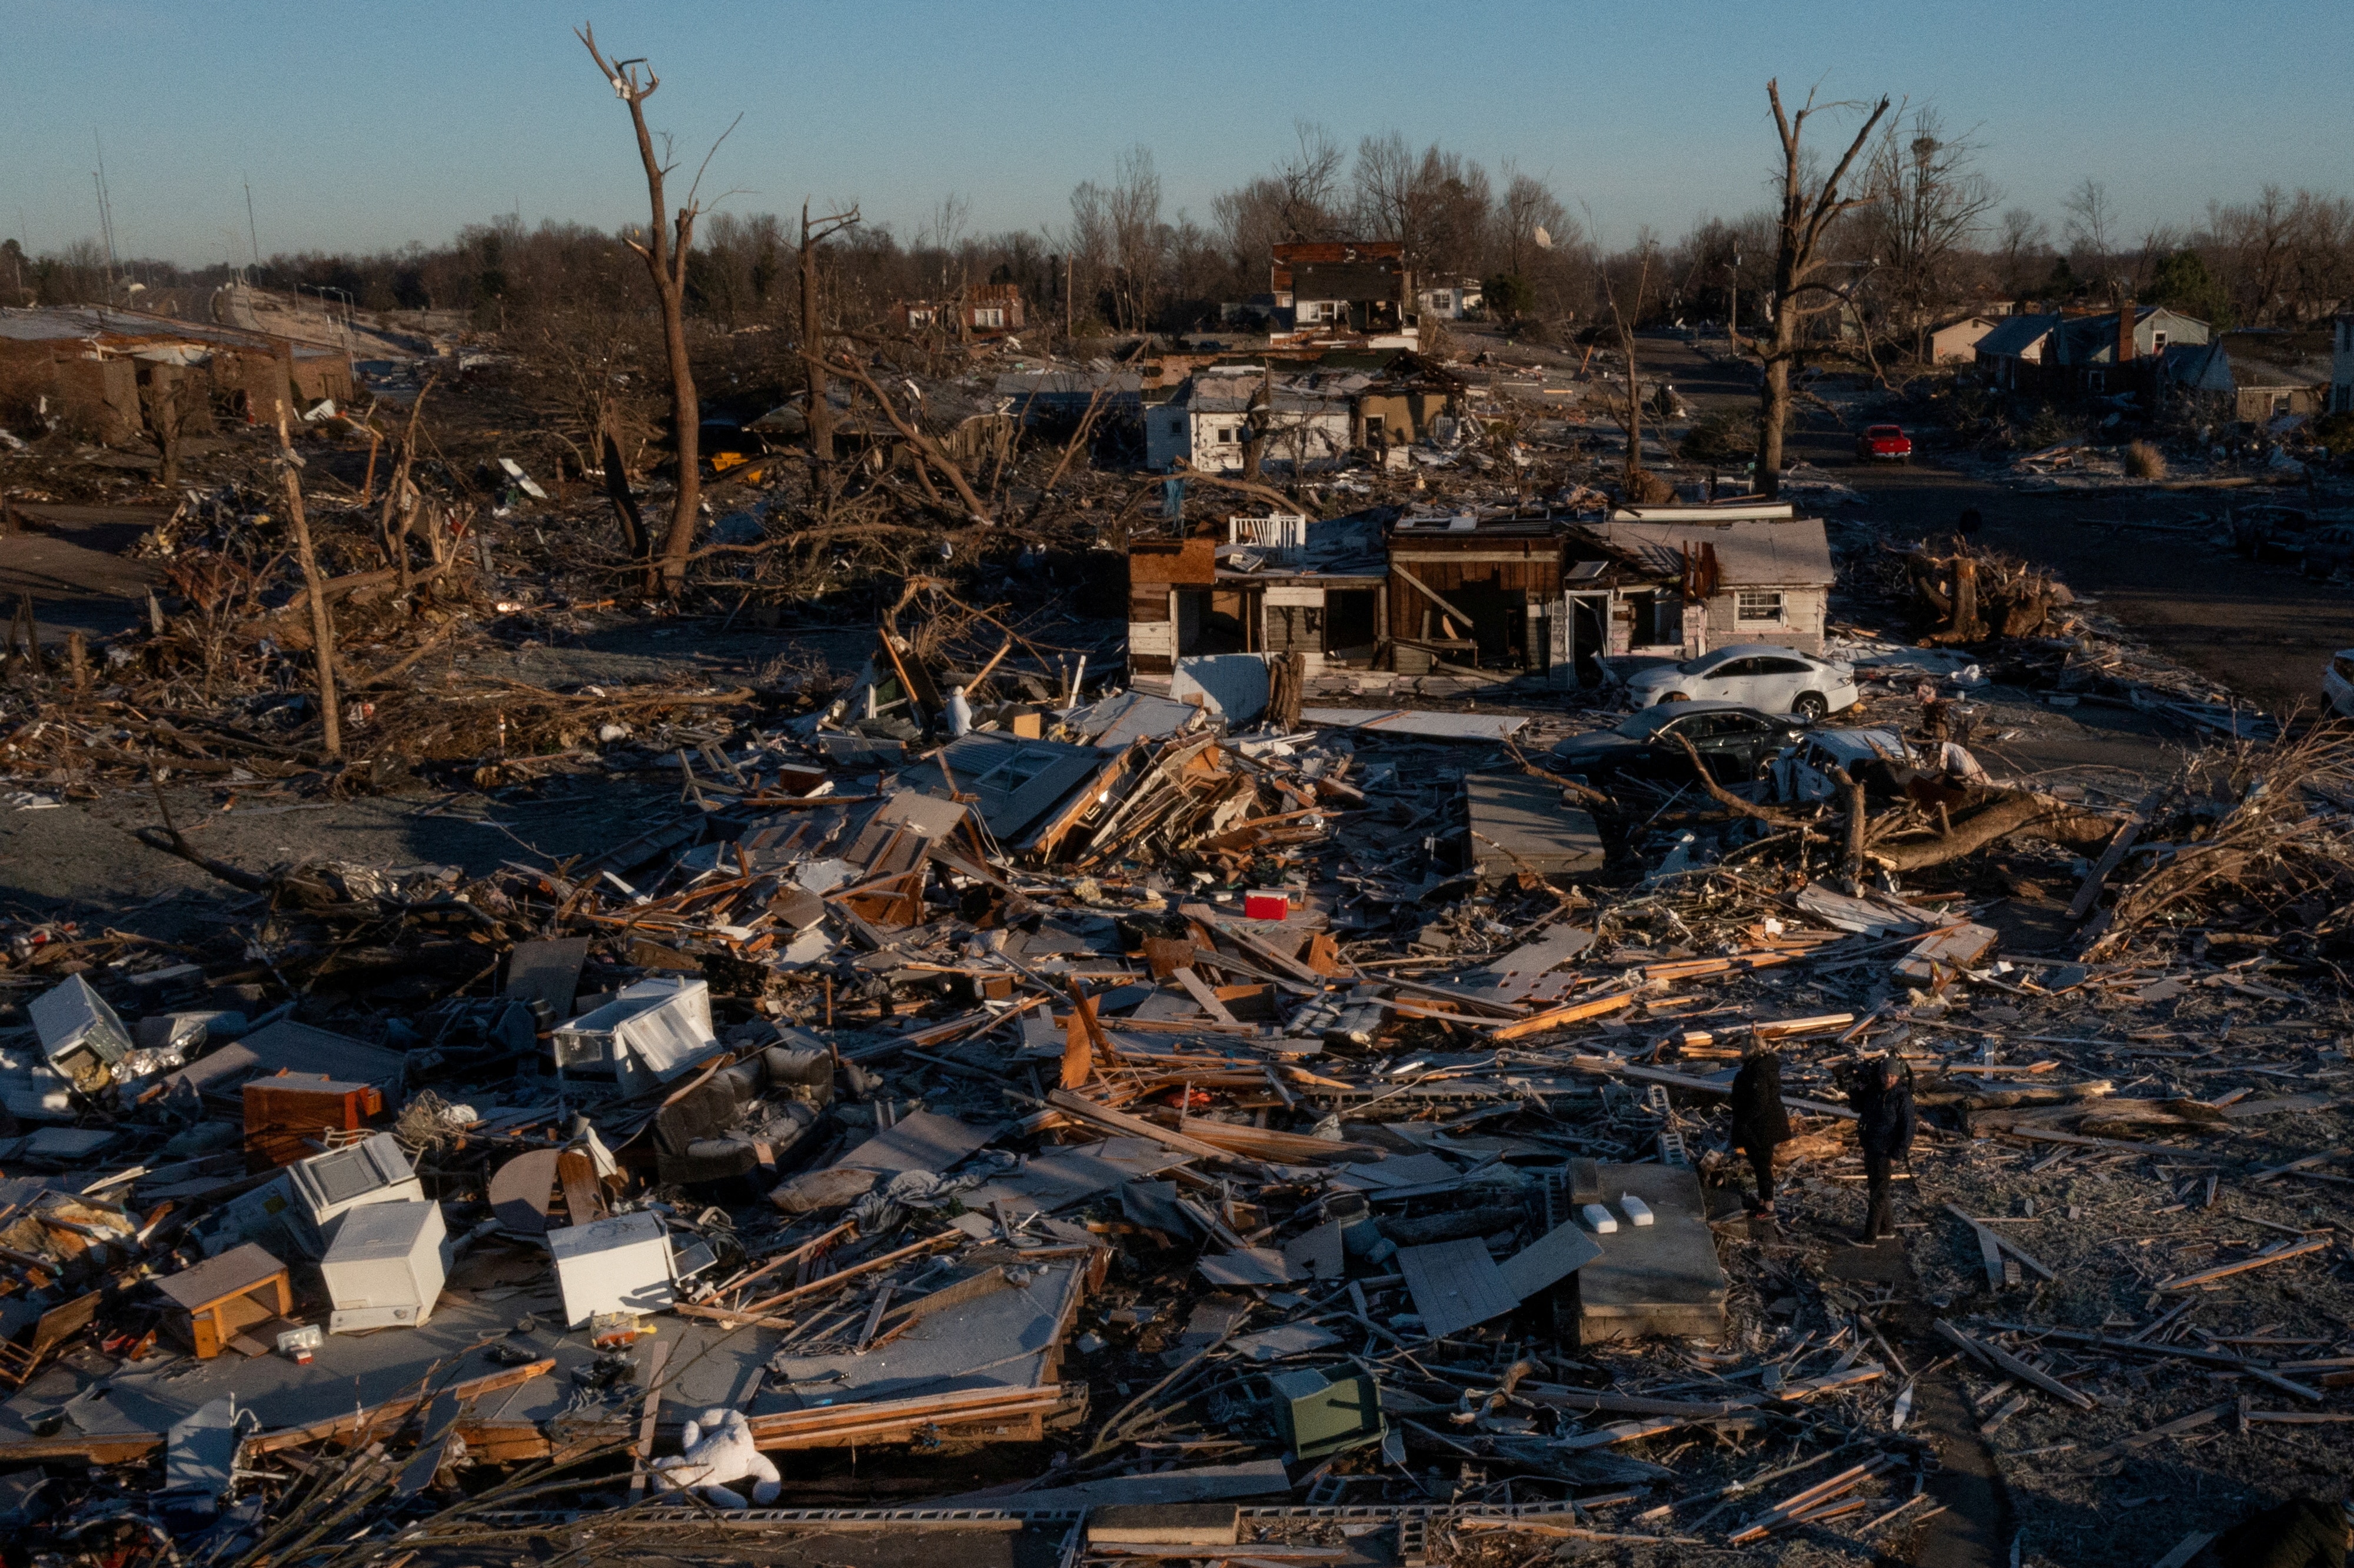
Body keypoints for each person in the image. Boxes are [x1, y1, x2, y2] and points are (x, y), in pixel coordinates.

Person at [1853, 1056, 1916, 1243]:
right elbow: (1856, 1107)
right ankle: (1887, 1229)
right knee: (1879, 1190)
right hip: (1872, 1147)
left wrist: (1897, 1155)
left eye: (1892, 1076)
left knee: (1878, 1194)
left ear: (1898, 1078)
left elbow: (1908, 1130)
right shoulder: (1875, 1092)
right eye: (1886, 1075)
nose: (1888, 1079)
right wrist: (1856, 1089)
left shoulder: (1903, 1098)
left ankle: (1869, 1237)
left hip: (1887, 1152)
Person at [1728, 1043, 1793, 1217]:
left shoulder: (1758, 1071)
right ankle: (1763, 1201)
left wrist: (1744, 1120)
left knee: (1762, 1164)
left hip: (1761, 1126)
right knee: (1760, 1164)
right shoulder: (1764, 1067)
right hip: (1765, 1124)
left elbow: (1760, 1101)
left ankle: (1769, 1206)